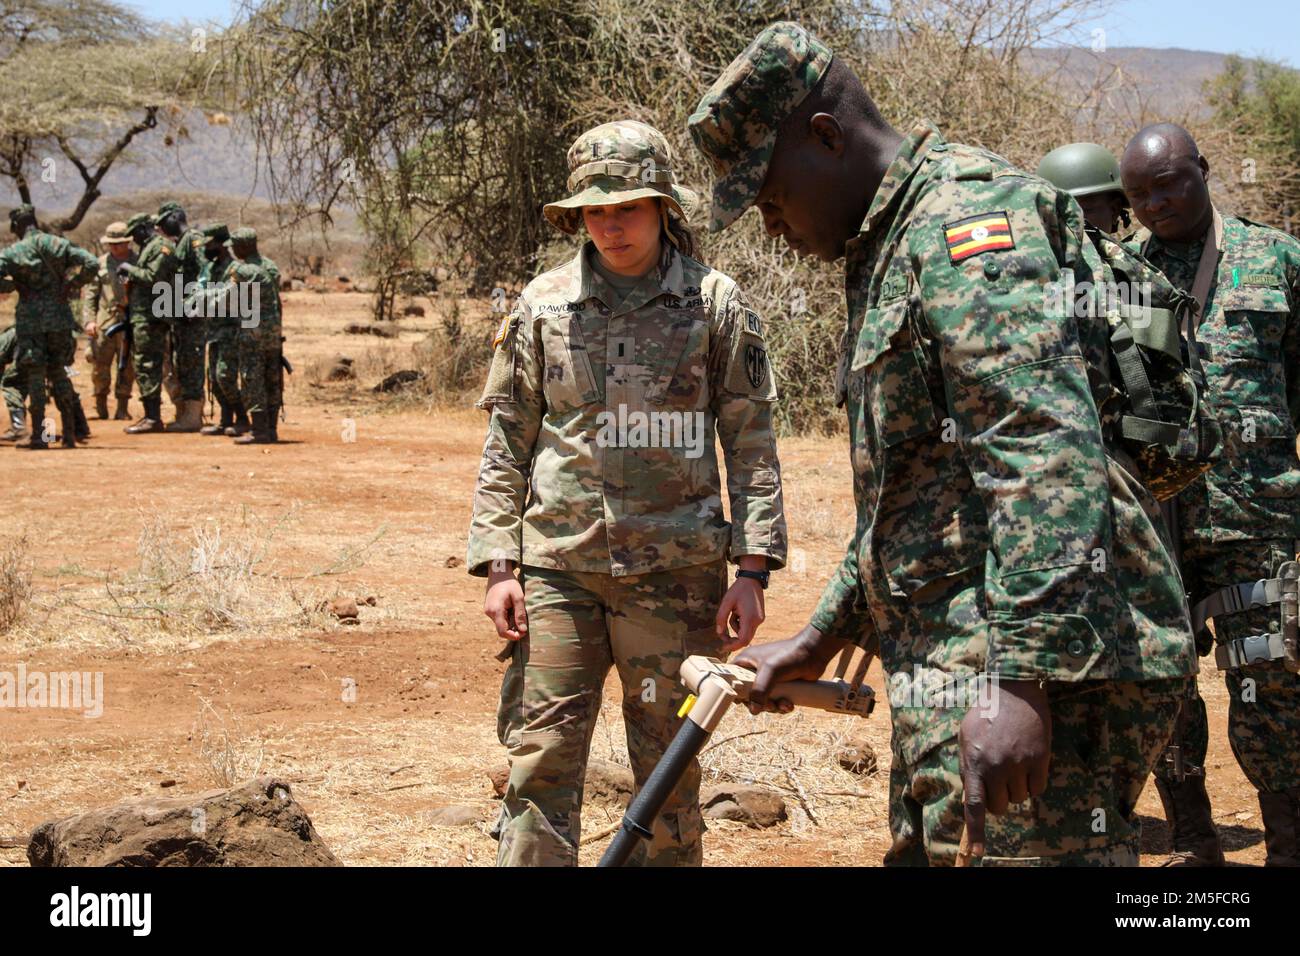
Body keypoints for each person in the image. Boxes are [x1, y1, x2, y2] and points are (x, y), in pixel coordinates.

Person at [689, 22, 1195, 865]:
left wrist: (1021, 683)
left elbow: (1041, 452)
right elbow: (920, 493)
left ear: (826, 136)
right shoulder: (889, 243)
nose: (771, 225)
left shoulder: (963, 223)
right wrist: (822, 635)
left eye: (770, 195)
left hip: (1021, 673)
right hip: (953, 671)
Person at [467, 119, 788, 866]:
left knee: (670, 772)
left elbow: (750, 442)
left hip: (675, 581)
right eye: (595, 210)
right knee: (539, 761)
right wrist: (499, 565)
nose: (611, 225)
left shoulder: (715, 303)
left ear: (663, 208)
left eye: (628, 208)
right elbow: (508, 440)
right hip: (558, 571)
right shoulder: (542, 304)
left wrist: (752, 569)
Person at [1122, 123, 1300, 867]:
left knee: (1272, 684)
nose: (1158, 202)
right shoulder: (1118, 274)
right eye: (1140, 194)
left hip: (1257, 520)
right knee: (1165, 692)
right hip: (1155, 524)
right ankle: (1195, 843)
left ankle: (1288, 844)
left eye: (1172, 183)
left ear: (1204, 169)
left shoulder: (1277, 258)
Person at [0, 204, 98, 449]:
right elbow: (92, 263)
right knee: (59, 371)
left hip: (30, 321)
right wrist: (71, 284)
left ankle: (38, 436)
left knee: (35, 374)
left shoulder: (13, 252)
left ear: (17, 227)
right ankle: (68, 435)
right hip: (59, 317)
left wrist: (13, 287)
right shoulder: (58, 244)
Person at [120, 211, 175, 434]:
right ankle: (150, 415)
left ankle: (153, 418)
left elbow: (154, 277)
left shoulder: (161, 246)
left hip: (152, 316)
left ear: (144, 228)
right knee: (143, 363)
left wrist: (128, 269)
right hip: (143, 315)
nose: (133, 239)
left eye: (135, 234)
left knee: (147, 363)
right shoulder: (149, 248)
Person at [227, 227, 283, 444]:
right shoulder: (270, 267)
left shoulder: (243, 271)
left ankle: (259, 430)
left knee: (253, 378)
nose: (232, 250)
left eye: (234, 246)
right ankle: (271, 429)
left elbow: (235, 300)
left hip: (253, 331)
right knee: (272, 380)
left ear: (243, 246)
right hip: (273, 331)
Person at [190, 223, 247, 436]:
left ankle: (242, 418)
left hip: (231, 331)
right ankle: (225, 419)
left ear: (222, 244)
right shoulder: (210, 268)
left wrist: (205, 300)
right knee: (213, 377)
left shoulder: (234, 270)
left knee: (225, 376)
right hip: (213, 330)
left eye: (210, 244)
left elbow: (226, 298)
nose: (206, 248)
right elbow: (198, 291)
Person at [81, 220, 137, 421]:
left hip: (129, 323)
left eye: (119, 243)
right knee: (99, 366)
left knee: (127, 366)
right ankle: (100, 406)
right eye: (111, 243)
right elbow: (90, 295)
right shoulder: (100, 264)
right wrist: (89, 321)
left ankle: (122, 407)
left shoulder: (138, 262)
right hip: (104, 323)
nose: (115, 247)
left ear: (128, 243)